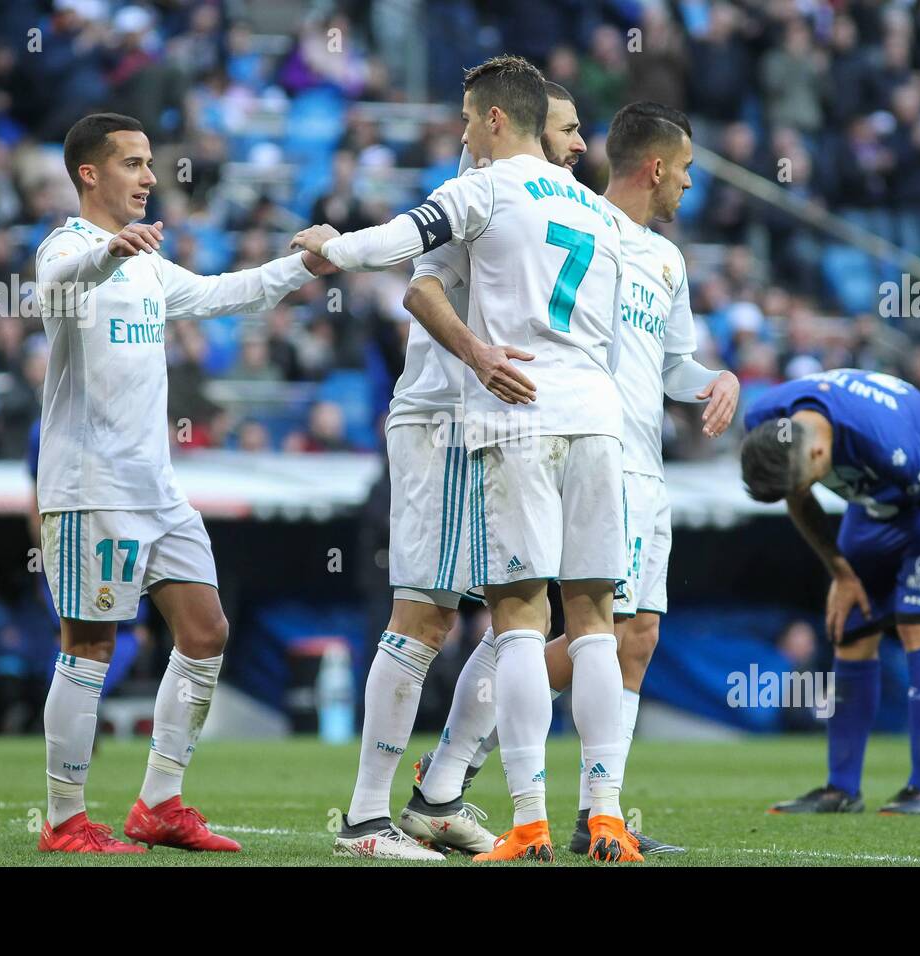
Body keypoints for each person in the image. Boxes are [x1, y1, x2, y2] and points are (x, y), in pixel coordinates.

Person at [294, 55, 638, 862]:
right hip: (459, 416)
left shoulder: (513, 192)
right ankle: (371, 817)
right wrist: (480, 353)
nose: (582, 145)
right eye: (569, 130)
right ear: (523, 122)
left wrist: (335, 249)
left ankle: (463, 798)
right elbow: (421, 287)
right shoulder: (542, 198)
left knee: (515, 618)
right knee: (456, 613)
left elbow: (406, 248)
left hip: (509, 418)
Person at [400, 101, 740, 857]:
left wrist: (715, 379)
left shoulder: (666, 259)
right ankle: (453, 772)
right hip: (585, 440)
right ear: (656, 167)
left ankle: (595, 815)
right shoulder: (580, 223)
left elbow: (674, 364)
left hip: (646, 465)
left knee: (636, 635)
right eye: (684, 171)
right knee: (550, 623)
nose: (688, 186)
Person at [33, 112, 334, 853]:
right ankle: (65, 819)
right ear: (89, 174)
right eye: (132, 164)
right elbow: (59, 285)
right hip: (92, 488)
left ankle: (159, 804)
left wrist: (306, 266)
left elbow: (229, 293)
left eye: (149, 163)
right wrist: (108, 250)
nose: (148, 177)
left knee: (206, 632)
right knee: (91, 644)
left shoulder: (147, 264)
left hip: (157, 488)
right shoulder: (66, 251)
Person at [740, 369, 920, 815]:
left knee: (917, 626)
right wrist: (841, 573)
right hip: (871, 501)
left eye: (805, 481)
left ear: (817, 451)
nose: (803, 491)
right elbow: (798, 496)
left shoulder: (884, 441)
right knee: (849, 631)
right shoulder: (767, 422)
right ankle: (841, 790)